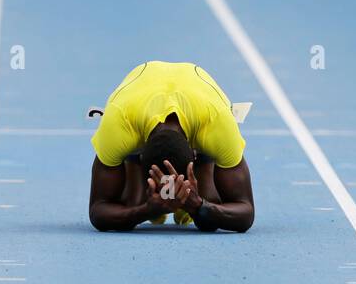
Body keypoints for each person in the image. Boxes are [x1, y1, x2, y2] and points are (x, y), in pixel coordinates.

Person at [87, 61, 254, 233]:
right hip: (134, 112)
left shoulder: (216, 123)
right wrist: (144, 210)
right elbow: (97, 211)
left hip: (202, 110)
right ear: (141, 155)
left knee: (211, 203)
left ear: (194, 155)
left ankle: (199, 178)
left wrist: (199, 206)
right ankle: (141, 178)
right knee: (133, 202)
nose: (169, 190)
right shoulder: (119, 124)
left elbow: (246, 212)